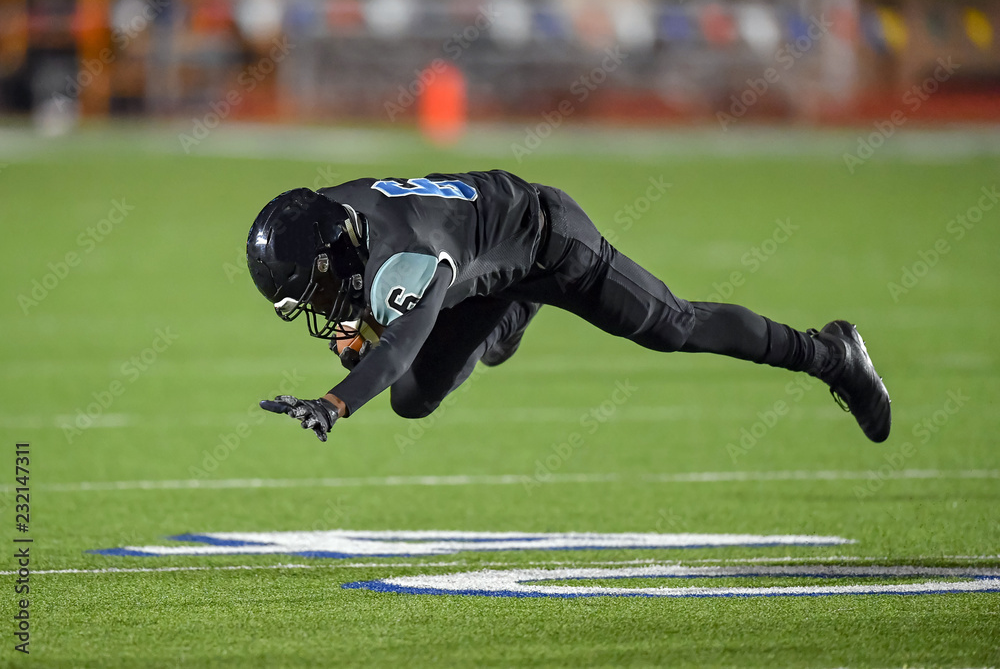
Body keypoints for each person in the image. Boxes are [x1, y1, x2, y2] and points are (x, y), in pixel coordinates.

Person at [247, 170, 890, 444]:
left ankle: (831, 354)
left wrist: (337, 401)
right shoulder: (336, 213)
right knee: (413, 398)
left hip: (548, 241)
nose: (324, 307)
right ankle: (510, 313)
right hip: (483, 265)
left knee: (672, 328)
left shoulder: (402, 255)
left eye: (321, 289)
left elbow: (401, 343)